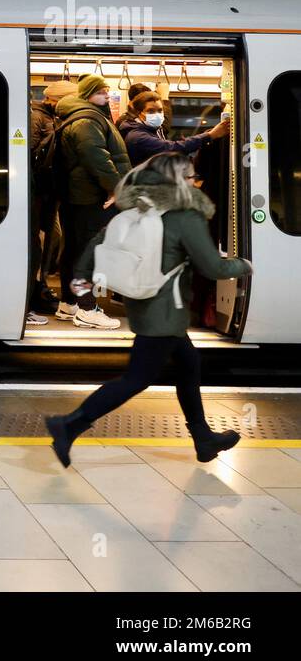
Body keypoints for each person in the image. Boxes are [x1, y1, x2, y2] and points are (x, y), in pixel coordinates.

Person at [45, 151, 252, 466]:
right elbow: (212, 267)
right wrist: (245, 264)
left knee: (189, 364)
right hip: (166, 309)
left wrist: (81, 276)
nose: (197, 180)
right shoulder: (185, 215)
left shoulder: (138, 208)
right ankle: (69, 424)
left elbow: (99, 242)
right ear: (178, 180)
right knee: (137, 378)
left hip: (143, 300)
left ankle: (203, 438)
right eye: (191, 175)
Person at [53, 74, 131, 329]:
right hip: (91, 197)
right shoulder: (87, 120)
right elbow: (97, 158)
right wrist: (115, 188)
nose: (106, 95)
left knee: (75, 250)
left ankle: (69, 303)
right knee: (89, 254)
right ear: (87, 95)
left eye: (107, 91)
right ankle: (87, 308)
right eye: (101, 91)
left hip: (78, 196)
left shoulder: (82, 117)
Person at [27, 80, 76, 322]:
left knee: (49, 239)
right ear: (55, 99)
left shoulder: (54, 116)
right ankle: (34, 291)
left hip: (49, 190)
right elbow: (30, 151)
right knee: (37, 241)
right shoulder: (38, 117)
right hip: (38, 190)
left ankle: (40, 284)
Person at [124, 90, 230, 168]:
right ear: (139, 113)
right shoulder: (138, 137)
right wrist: (210, 135)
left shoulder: (155, 131)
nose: (157, 115)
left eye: (160, 111)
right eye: (151, 111)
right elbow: (173, 148)